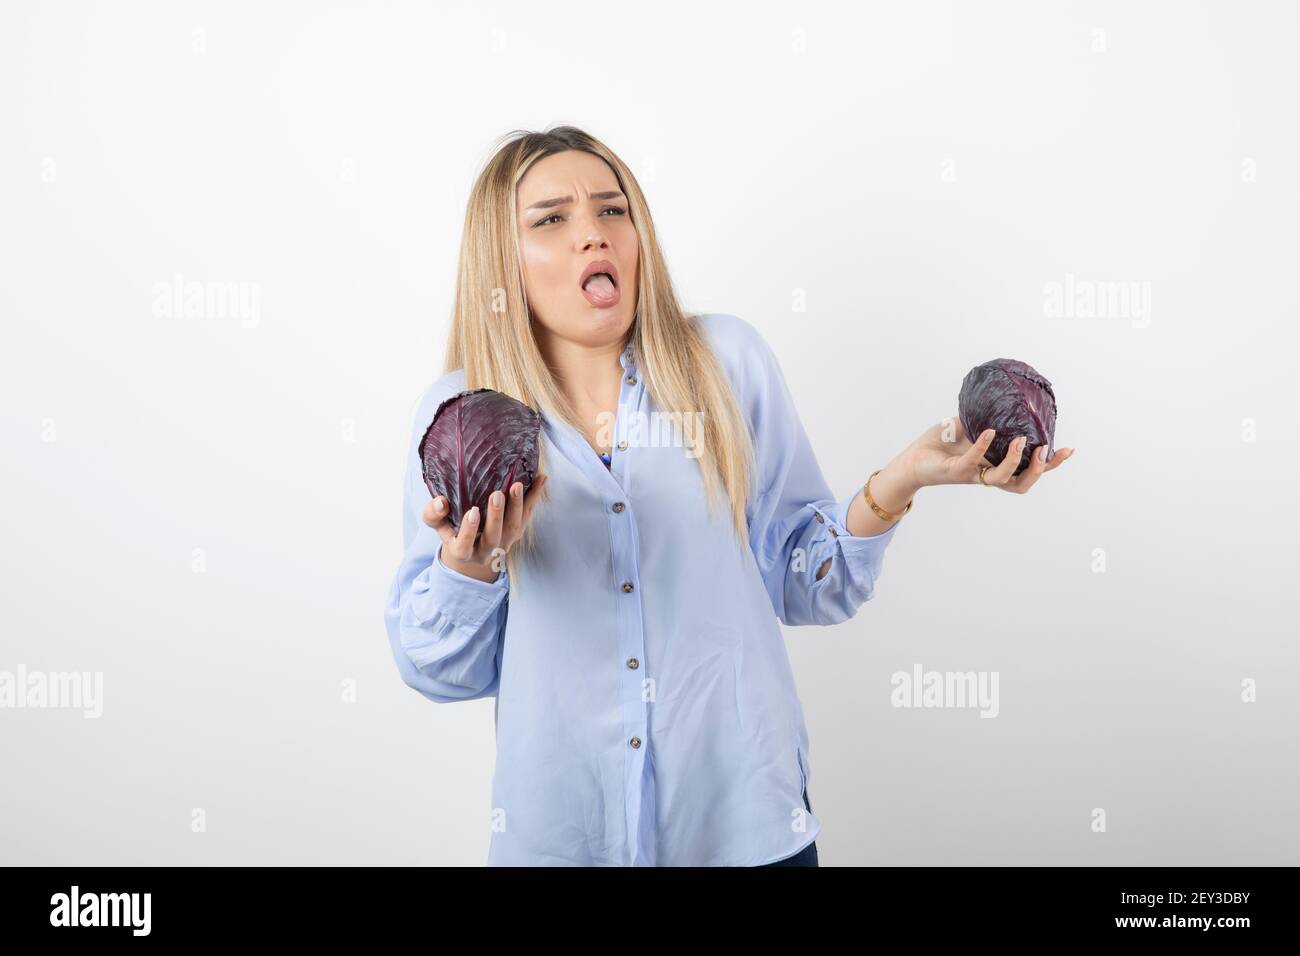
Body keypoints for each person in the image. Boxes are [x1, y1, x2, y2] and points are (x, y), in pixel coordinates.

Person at [383, 126, 1073, 867]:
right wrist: (471, 565)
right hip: (563, 839)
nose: (593, 235)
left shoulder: (727, 363)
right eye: (552, 219)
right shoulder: (459, 418)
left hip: (745, 829)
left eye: (613, 210)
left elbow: (807, 581)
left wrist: (903, 477)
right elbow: (438, 669)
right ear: (502, 261)